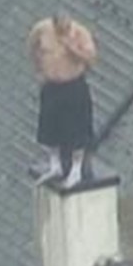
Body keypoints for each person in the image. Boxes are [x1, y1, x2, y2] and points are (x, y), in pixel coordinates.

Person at [27, 12, 98, 188]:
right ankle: (55, 165)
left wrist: (72, 48)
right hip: (51, 86)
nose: (61, 33)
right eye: (59, 30)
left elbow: (91, 60)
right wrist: (38, 69)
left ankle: (76, 170)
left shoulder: (80, 33)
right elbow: (32, 46)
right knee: (50, 126)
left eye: (65, 29)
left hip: (73, 86)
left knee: (77, 130)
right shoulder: (42, 29)